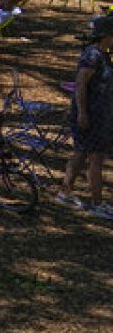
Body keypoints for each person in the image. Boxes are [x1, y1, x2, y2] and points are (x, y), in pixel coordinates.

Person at [59, 15, 113, 218]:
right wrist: (82, 113)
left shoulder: (103, 55)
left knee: (81, 154)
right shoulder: (92, 56)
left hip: (100, 115)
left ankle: (64, 192)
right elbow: (81, 84)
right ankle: (97, 203)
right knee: (95, 158)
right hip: (90, 115)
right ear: (106, 35)